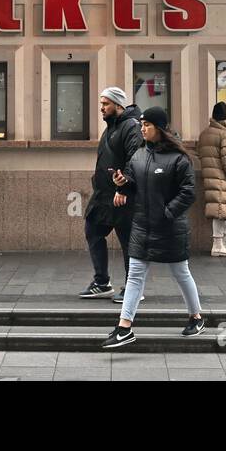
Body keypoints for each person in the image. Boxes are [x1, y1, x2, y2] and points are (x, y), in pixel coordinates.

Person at [101, 106, 204, 348]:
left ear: (159, 128)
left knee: (181, 273)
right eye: (141, 124)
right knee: (135, 274)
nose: (142, 129)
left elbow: (188, 192)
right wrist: (122, 184)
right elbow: (132, 181)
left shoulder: (179, 159)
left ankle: (196, 317)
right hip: (142, 226)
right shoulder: (139, 154)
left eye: (147, 125)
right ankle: (124, 327)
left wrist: (167, 213)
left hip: (169, 228)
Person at [80, 86, 142, 300]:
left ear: (118, 105)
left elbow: (135, 158)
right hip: (103, 196)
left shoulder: (131, 127)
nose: (102, 108)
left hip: (123, 195)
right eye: (101, 103)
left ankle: (133, 288)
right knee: (92, 230)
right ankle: (101, 282)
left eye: (105, 104)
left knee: (128, 242)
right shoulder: (111, 128)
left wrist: (124, 187)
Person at [196, 102, 226, 255]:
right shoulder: (224, 134)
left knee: (224, 210)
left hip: (211, 175)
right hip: (223, 177)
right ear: (225, 118)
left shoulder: (205, 133)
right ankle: (217, 245)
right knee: (221, 211)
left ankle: (225, 242)